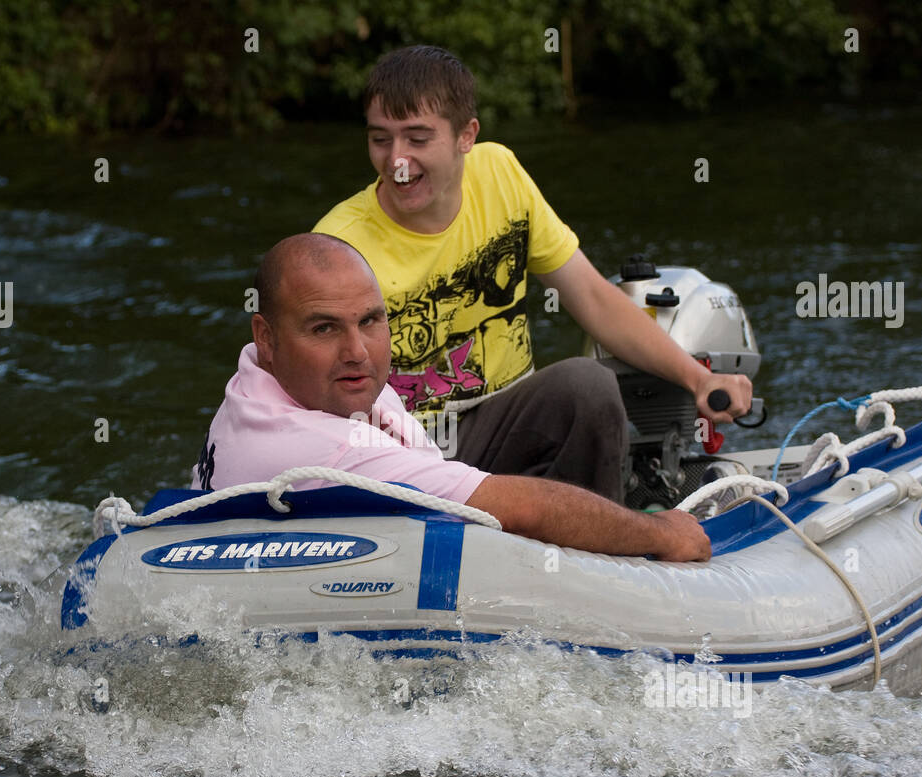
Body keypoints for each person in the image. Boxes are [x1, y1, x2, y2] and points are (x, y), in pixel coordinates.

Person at [313, 45, 753, 502]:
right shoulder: (337, 245)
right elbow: (316, 394)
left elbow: (594, 297)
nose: (397, 161)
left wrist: (699, 380)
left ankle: (605, 546)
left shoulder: (500, 173)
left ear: (467, 135)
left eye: (418, 139)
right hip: (404, 453)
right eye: (380, 139)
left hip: (505, 427)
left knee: (588, 384)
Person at [192, 233, 710, 562]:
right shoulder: (323, 449)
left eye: (371, 321)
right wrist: (659, 533)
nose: (357, 351)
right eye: (324, 328)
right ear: (267, 336)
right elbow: (523, 508)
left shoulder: (258, 377)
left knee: (581, 387)